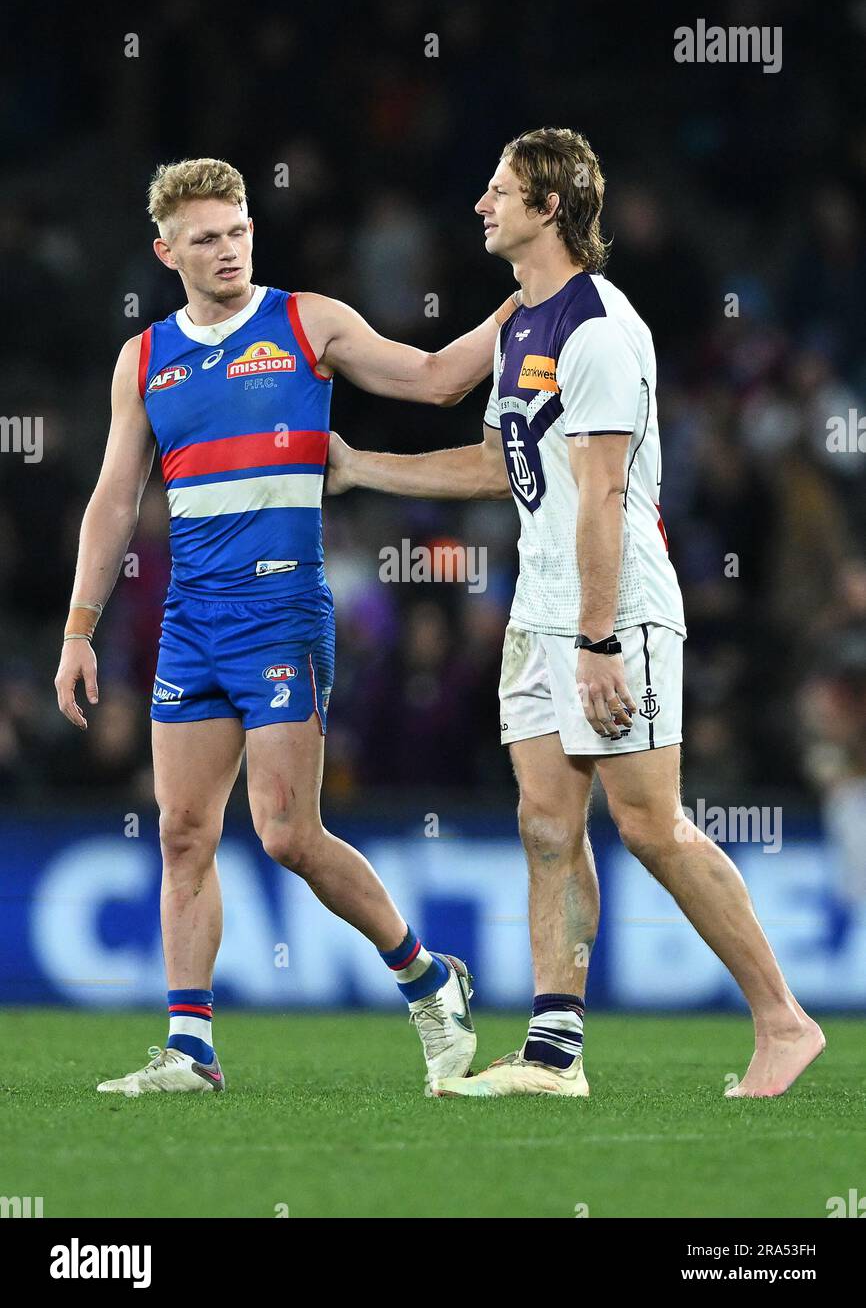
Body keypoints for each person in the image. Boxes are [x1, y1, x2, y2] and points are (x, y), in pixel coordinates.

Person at [326, 127, 826, 1099]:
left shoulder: (598, 329)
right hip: (540, 606)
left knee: (649, 825)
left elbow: (602, 495)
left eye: (498, 190)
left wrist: (597, 639)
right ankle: (554, 1054)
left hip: (614, 609)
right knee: (546, 825)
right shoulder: (521, 314)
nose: (480, 203)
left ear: (548, 206)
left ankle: (781, 1017)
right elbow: (475, 437)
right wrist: (355, 466)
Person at [54, 157, 519, 1097]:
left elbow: (432, 381)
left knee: (284, 833)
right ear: (166, 251)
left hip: (282, 614)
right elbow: (112, 500)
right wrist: (77, 629)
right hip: (192, 619)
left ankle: (427, 979)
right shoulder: (143, 358)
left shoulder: (309, 322)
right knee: (184, 832)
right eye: (205, 239)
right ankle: (191, 1049)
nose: (227, 250)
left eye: (238, 231)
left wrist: (525, 302)